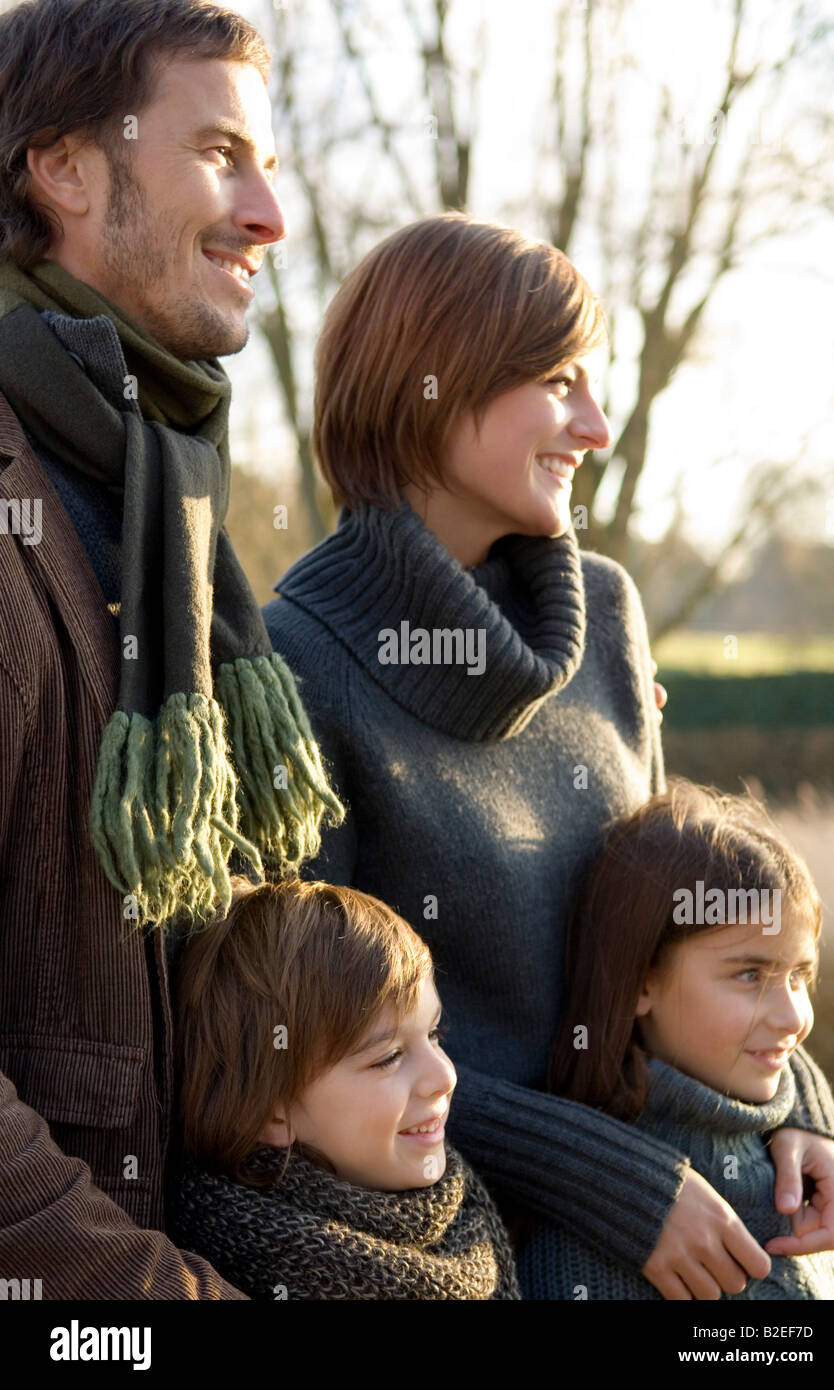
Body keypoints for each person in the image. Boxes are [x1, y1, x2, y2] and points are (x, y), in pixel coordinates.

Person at [263, 212, 834, 1300]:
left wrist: (796, 1110)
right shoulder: (295, 664)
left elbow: (687, 910)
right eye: (557, 381)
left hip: (687, 1205)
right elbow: (305, 1046)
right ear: (430, 381)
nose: (592, 424)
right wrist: (613, 1185)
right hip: (471, 1252)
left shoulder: (608, 615)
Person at [0, 0, 341, 1298]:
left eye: (268, 165)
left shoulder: (162, 482)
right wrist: (156, 1296)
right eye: (219, 155)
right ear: (66, 167)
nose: (268, 214)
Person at [518, 779, 834, 1299]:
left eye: (800, 976)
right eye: (749, 975)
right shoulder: (587, 1249)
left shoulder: (809, 1175)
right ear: (640, 981)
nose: (795, 1017)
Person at [167, 877, 521, 1300]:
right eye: (388, 1057)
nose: (445, 1076)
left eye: (434, 1034)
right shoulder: (235, 1277)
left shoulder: (465, 1223)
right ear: (272, 1112)